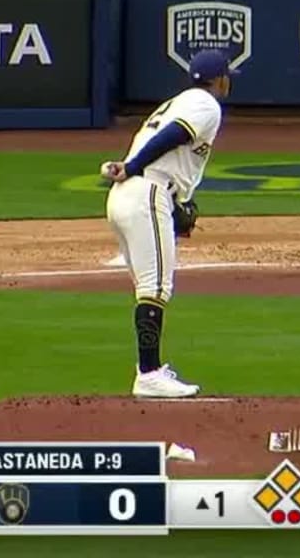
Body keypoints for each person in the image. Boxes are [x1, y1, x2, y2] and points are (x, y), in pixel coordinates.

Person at [99, 48, 236, 399]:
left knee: (148, 287)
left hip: (128, 196)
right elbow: (173, 135)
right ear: (219, 79)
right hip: (146, 191)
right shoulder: (204, 104)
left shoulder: (177, 101)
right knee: (155, 287)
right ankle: (149, 374)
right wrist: (132, 167)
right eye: (227, 76)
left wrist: (174, 202)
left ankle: (149, 371)